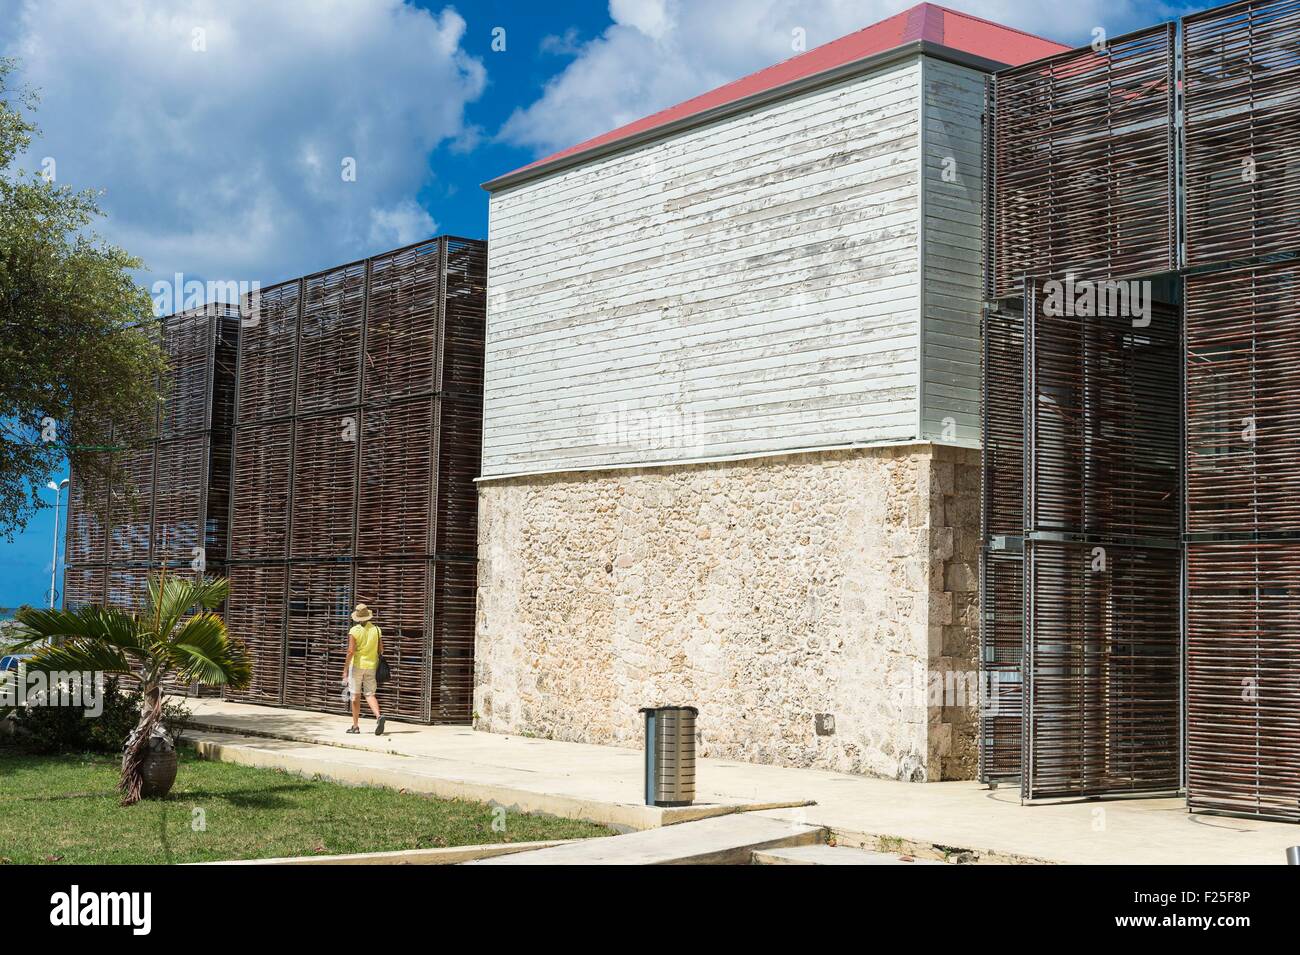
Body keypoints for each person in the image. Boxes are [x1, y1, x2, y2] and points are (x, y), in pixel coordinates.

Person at [342, 603, 385, 735]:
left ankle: (355, 726)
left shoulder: (354, 631)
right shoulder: (377, 630)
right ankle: (378, 717)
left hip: (357, 666)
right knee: (370, 694)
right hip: (372, 666)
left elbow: (350, 651)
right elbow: (381, 650)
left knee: (355, 696)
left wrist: (344, 670)